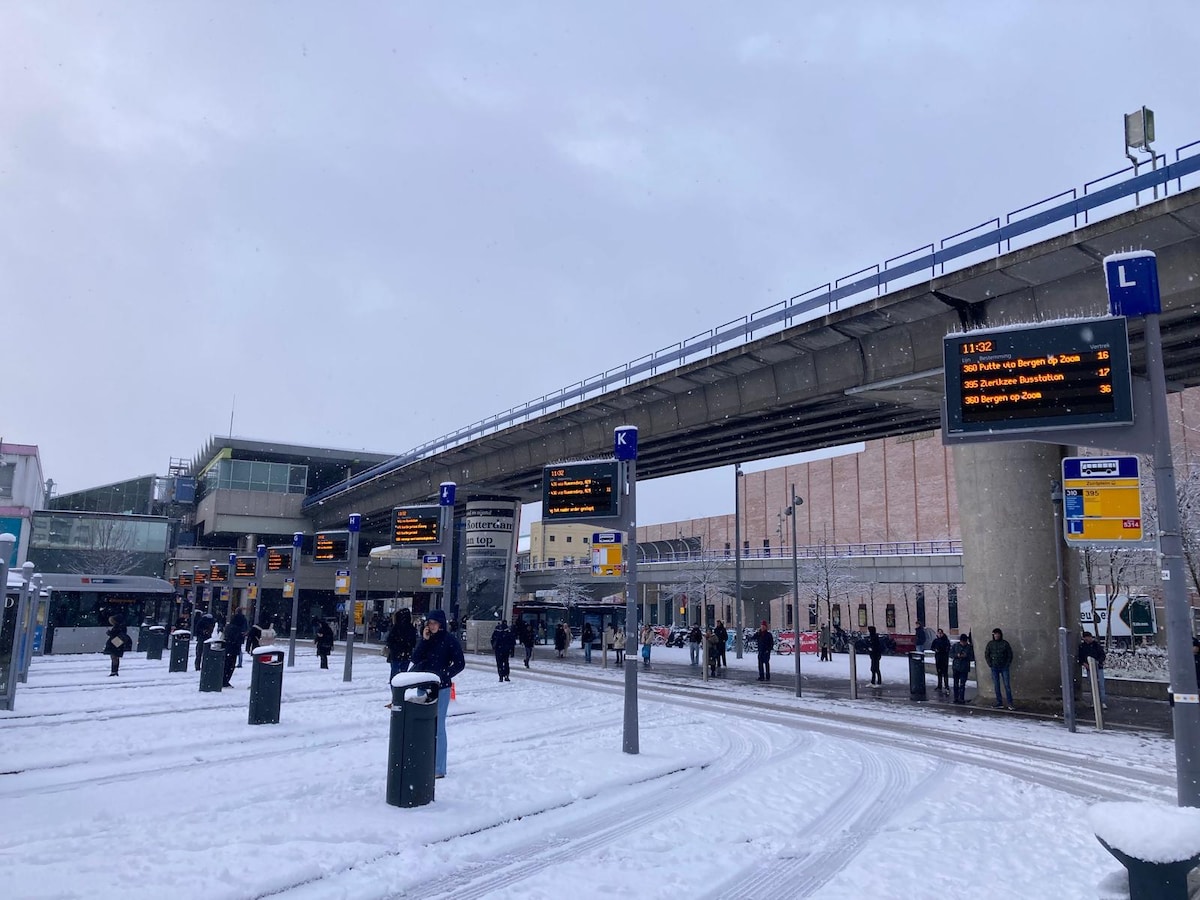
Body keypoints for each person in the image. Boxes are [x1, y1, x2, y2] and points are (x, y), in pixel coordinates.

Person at [410, 609, 465, 779]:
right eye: (429, 623)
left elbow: (460, 663)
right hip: (423, 685)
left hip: (440, 688)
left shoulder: (449, 640)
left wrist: (444, 675)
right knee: (422, 725)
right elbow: (416, 658)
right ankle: (422, 761)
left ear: (441, 624)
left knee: (438, 726)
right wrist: (423, 641)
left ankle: (439, 767)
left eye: (434, 623)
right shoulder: (427, 640)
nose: (431, 626)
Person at [984, 627, 1015, 709]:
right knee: (996, 685)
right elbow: (987, 654)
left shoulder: (1005, 643)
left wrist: (1007, 664)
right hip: (994, 667)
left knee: (1007, 685)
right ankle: (999, 702)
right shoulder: (990, 644)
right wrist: (990, 664)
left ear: (1000, 635)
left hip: (1004, 667)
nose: (996, 636)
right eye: (995, 635)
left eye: (997, 634)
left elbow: (1010, 654)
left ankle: (1010, 703)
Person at [1078, 631, 1108, 710]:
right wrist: (1084, 663)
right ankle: (1094, 701)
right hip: (1089, 668)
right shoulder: (1082, 647)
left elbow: (1102, 655)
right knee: (1092, 686)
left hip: (1098, 668)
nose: (1087, 639)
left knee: (1100, 685)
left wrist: (1098, 662)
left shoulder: (1096, 645)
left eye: (1088, 637)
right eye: (1085, 638)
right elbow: (1080, 657)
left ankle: (1102, 702)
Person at [386, 608, 417, 681]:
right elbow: (413, 643)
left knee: (395, 676)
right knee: (403, 675)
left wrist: (396, 648)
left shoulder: (395, 627)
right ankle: (400, 690)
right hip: (406, 655)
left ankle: (395, 689)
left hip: (396, 655)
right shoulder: (411, 628)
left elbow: (389, 641)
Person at [222, 607, 249, 688]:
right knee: (230, 666)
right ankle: (225, 681)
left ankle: (223, 680)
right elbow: (237, 639)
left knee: (226, 665)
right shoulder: (238, 629)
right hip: (233, 649)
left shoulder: (229, 627)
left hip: (227, 648)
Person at [950, 633, 974, 704]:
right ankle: (956, 697)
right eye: (962, 642)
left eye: (964, 642)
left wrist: (966, 656)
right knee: (956, 683)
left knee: (962, 684)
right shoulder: (955, 646)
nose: (963, 643)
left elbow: (972, 657)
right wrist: (957, 655)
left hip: (964, 667)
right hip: (956, 667)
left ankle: (961, 698)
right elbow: (951, 654)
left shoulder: (969, 647)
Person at [930, 627, 952, 692]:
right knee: (939, 672)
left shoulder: (946, 640)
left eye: (940, 633)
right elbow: (932, 647)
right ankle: (939, 685)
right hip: (938, 658)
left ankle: (946, 686)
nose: (939, 634)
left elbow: (948, 648)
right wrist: (935, 650)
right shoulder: (935, 640)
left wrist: (945, 650)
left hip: (944, 658)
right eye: (938, 633)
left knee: (945, 672)